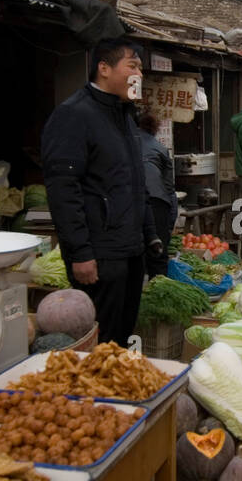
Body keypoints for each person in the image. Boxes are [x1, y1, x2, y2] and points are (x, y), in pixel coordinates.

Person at [42, 37, 162, 345]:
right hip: (100, 255)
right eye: (132, 66)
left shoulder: (124, 115)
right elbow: (63, 190)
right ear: (104, 68)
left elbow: (135, 183)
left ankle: (119, 392)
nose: (140, 75)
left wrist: (150, 234)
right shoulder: (74, 115)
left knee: (121, 337)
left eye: (141, 68)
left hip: (130, 250)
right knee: (100, 339)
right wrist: (80, 252)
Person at [136, 112, 178, 277]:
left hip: (132, 200)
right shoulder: (160, 148)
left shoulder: (124, 143)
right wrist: (169, 222)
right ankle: (158, 290)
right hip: (157, 201)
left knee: (134, 254)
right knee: (158, 253)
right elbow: (169, 188)